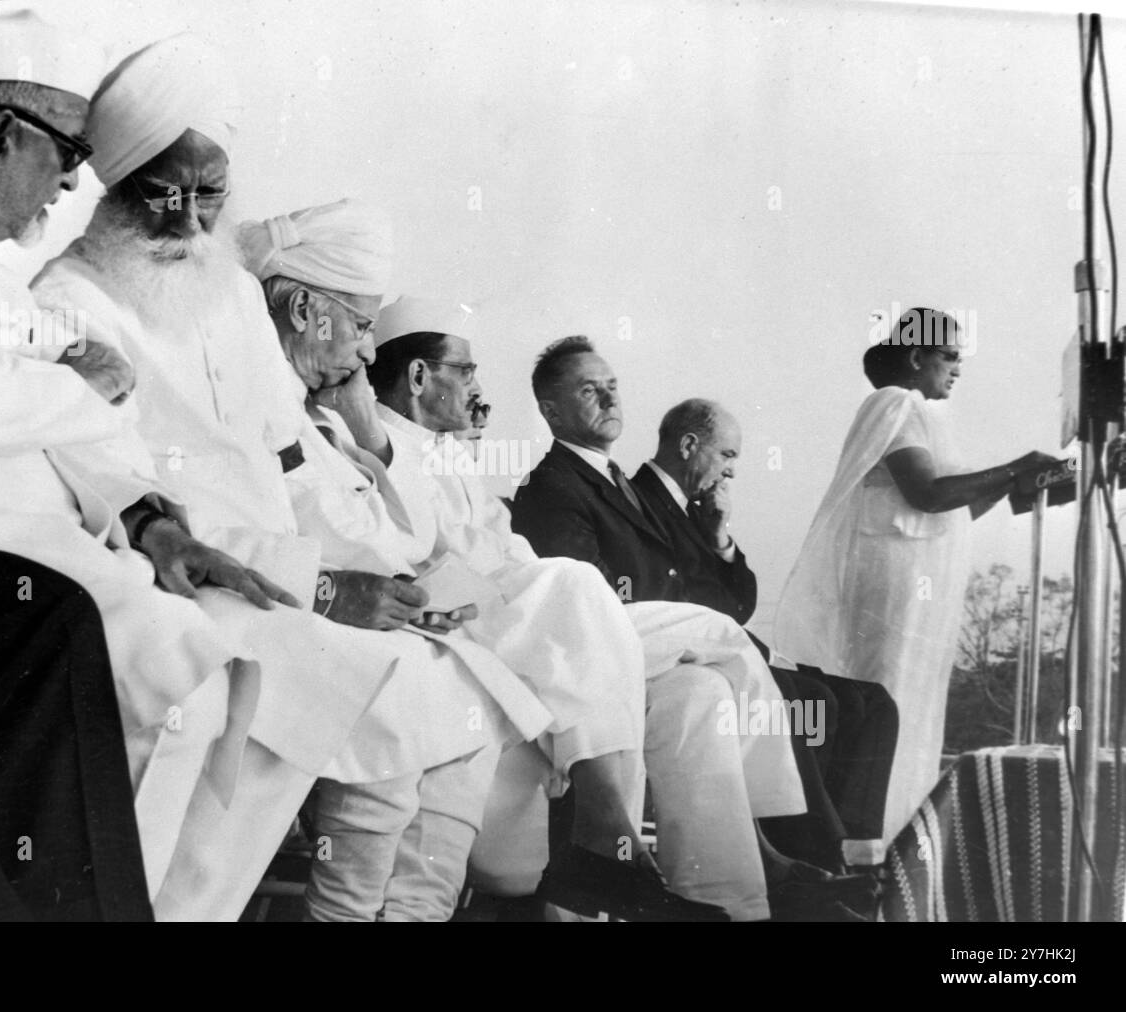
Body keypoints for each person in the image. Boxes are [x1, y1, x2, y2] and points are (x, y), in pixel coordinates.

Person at [29, 36, 571, 924]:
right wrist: (317, 585)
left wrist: (367, 577)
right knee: (384, 689)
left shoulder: (232, 296)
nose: (195, 220)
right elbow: (130, 501)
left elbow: (288, 468)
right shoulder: (73, 302)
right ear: (119, 187)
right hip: (185, 584)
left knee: (449, 682)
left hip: (276, 579)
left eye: (212, 193)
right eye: (170, 192)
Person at [0, 10, 337, 921]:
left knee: (209, 683)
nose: (69, 182)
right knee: (172, 677)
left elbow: (94, 406)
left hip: (47, 536)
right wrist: (77, 386)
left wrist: (149, 518)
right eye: (65, 151)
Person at [362, 297, 840, 921]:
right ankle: (612, 839)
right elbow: (414, 556)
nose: (478, 387)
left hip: (542, 615)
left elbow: (506, 547)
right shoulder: (381, 443)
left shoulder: (450, 454)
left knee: (702, 677)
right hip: (487, 620)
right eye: (467, 369)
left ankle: (736, 890)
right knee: (588, 586)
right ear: (420, 377)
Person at [774, 307, 1059, 847]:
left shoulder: (920, 414)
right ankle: (871, 844)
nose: (957, 369)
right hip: (895, 588)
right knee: (892, 698)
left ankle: (897, 839)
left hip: (921, 587)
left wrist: (1009, 483)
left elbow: (953, 512)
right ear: (916, 356)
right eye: (950, 356)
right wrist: (1015, 467)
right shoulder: (895, 402)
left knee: (913, 705)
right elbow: (926, 494)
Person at [632, 398, 900, 867]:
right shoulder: (635, 502)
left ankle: (856, 850)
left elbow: (740, 605)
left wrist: (719, 539)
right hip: (689, 653)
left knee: (873, 703)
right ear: (690, 445)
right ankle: (811, 854)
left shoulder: (696, 510)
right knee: (817, 701)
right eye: (728, 455)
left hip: (729, 644)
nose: (732, 471)